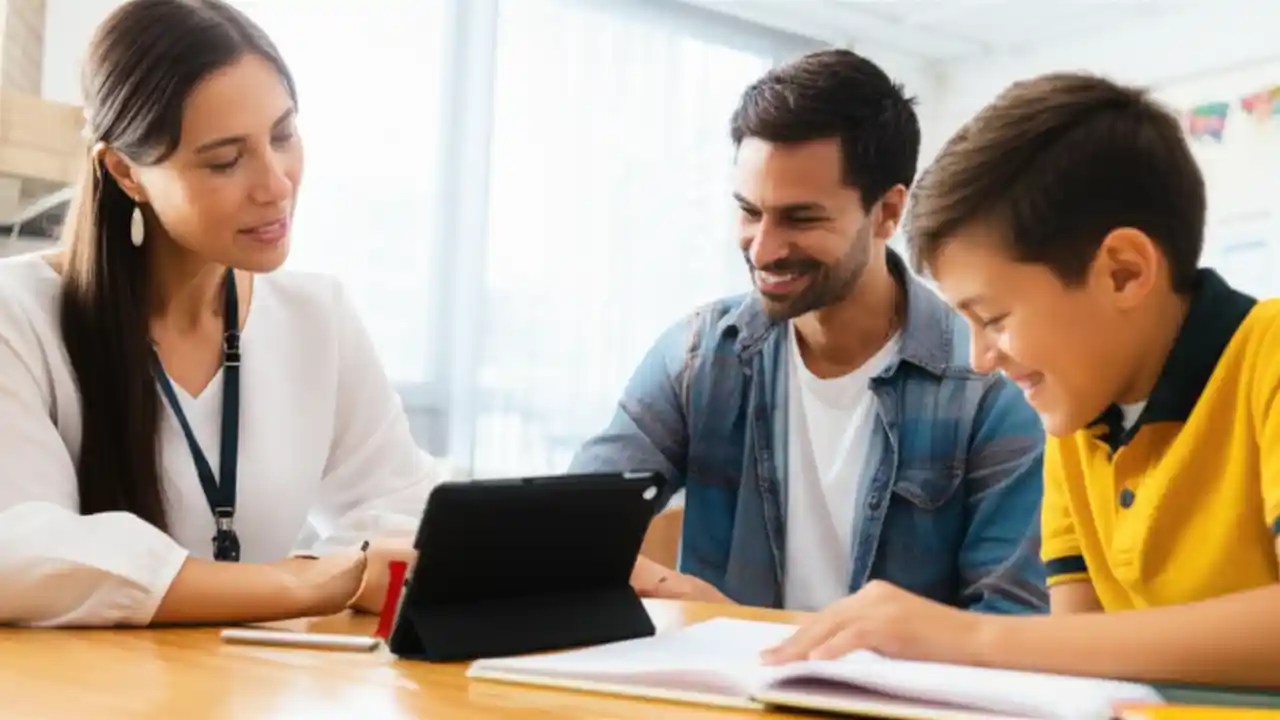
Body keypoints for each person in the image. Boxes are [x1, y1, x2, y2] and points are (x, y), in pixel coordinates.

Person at [764, 72, 1280, 689]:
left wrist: (970, 637)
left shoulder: (1267, 356)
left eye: (995, 319)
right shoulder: (1074, 415)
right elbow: (1074, 659)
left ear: (1122, 273)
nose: (981, 358)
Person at [0, 0, 448, 627]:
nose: (276, 183)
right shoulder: (16, 316)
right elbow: (18, 552)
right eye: (225, 160)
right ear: (125, 171)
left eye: (284, 135)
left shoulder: (318, 316)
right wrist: (309, 583)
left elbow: (407, 506)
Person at [571, 49, 1047, 613]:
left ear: (888, 212)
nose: (764, 249)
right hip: (720, 696)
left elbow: (1012, 627)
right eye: (750, 212)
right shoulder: (698, 356)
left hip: (889, 701)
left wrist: (751, 628)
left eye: (801, 218)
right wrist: (695, 605)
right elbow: (571, 533)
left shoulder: (988, 389)